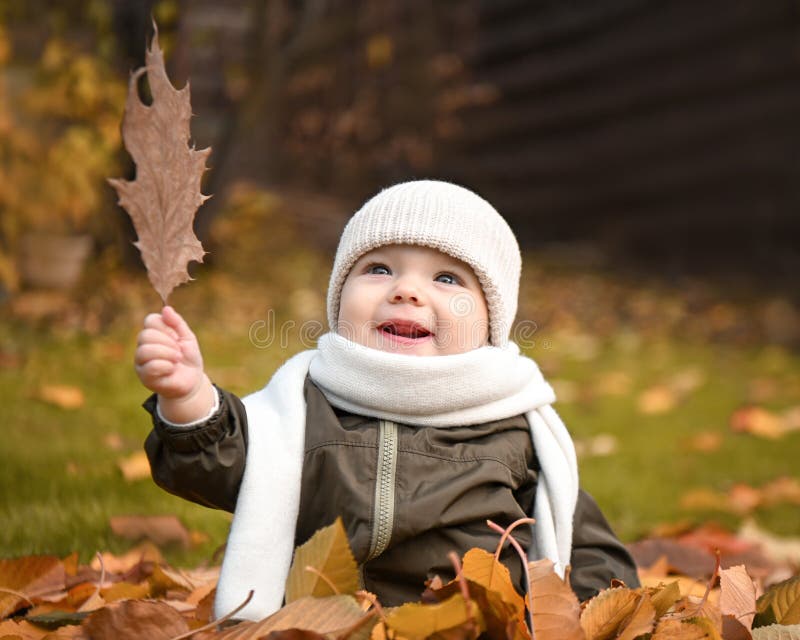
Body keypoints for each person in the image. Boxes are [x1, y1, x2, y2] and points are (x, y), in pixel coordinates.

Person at [135, 180, 639, 621]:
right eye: (378, 268)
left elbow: (588, 549)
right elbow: (219, 464)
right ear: (338, 297)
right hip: (328, 622)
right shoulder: (301, 408)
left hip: (473, 625)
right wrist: (189, 398)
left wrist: (590, 614)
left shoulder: (515, 427)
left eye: (446, 279)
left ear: (491, 323)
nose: (406, 291)